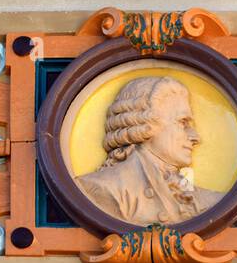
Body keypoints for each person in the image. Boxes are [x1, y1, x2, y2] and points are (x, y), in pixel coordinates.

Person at [75, 76, 224, 224]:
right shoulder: (102, 187)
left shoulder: (211, 202)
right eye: (183, 122)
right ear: (144, 122)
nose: (195, 137)